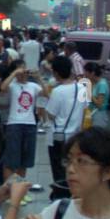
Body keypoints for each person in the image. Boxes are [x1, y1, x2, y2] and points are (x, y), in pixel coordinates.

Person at [42, 56, 86, 201]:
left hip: (57, 137)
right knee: (72, 169)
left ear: (56, 73)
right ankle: (73, 195)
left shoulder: (58, 91)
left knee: (59, 171)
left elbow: (51, 114)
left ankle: (60, 198)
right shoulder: (82, 88)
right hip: (75, 137)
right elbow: (84, 109)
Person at [1, 61, 45, 196]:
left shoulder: (33, 86)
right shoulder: (13, 85)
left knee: (24, 162)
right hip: (14, 124)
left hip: (30, 124)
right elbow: (3, 87)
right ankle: (9, 192)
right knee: (10, 162)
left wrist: (38, 77)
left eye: (24, 68)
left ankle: (19, 192)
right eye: (21, 69)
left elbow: (47, 93)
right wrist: (14, 74)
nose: (23, 71)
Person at [87, 62, 110, 129]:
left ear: (92, 73)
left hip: (98, 116)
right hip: (92, 114)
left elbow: (99, 104)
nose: (85, 74)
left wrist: (89, 94)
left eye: (86, 72)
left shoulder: (102, 84)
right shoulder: (95, 82)